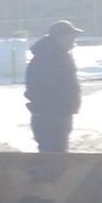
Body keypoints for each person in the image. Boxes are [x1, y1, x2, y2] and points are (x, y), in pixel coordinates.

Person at [25, 20, 82, 152]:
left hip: (57, 115)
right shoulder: (50, 57)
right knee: (53, 156)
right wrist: (58, 109)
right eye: (71, 36)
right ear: (61, 37)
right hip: (51, 117)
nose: (73, 40)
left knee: (56, 154)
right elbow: (46, 89)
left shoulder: (57, 55)